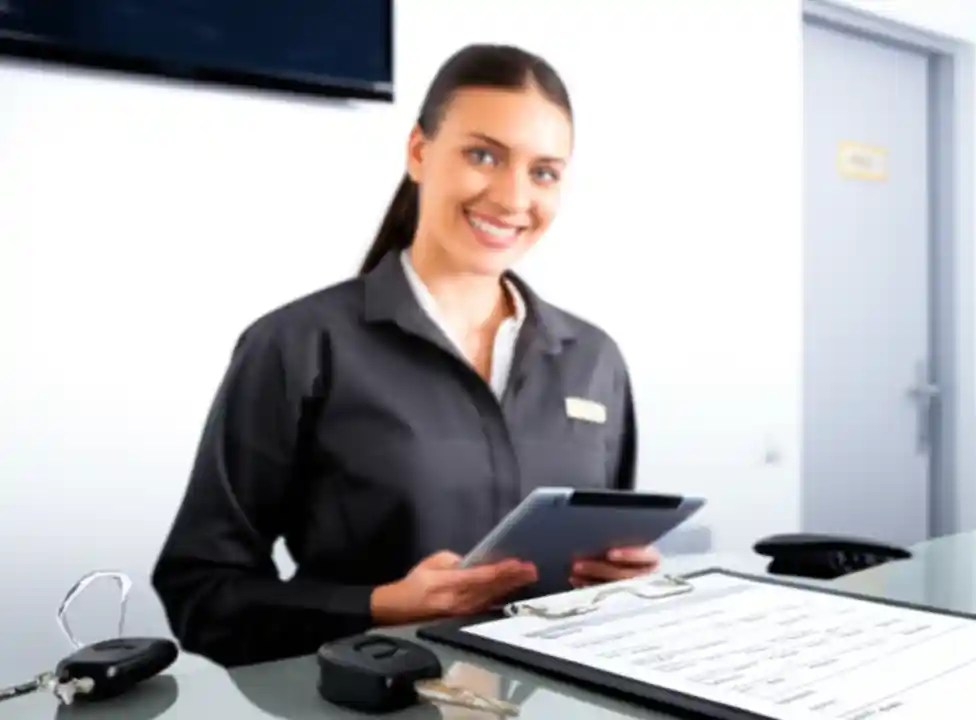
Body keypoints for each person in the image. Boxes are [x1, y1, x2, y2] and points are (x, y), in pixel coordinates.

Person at [151, 43, 658, 668]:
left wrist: (620, 586)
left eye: (543, 171)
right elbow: (200, 593)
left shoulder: (595, 359)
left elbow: (601, 576)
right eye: (483, 155)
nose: (511, 196)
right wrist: (377, 605)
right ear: (419, 152)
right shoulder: (297, 346)